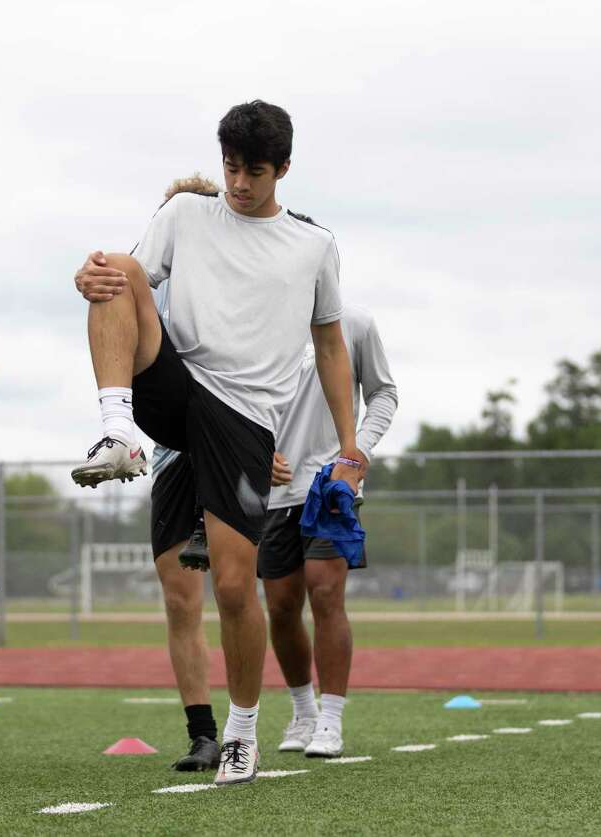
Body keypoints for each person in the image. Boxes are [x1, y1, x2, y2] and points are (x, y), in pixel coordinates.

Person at [71, 100, 365, 785]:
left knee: (235, 586)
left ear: (283, 169)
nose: (237, 183)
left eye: (253, 172)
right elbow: (128, 283)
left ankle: (241, 732)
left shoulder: (314, 244)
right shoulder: (184, 215)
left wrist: (349, 444)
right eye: (230, 166)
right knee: (116, 262)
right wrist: (90, 280)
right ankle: (116, 427)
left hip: (244, 417)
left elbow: (329, 344)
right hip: (178, 389)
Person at [262, 304, 397, 759]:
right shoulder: (254, 321)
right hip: (270, 492)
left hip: (329, 485)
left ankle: (331, 720)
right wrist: (254, 452)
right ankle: (303, 710)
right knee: (281, 607)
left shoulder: (355, 323)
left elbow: (384, 393)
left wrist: (357, 451)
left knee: (325, 593)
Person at [144, 173, 223, 773]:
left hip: (235, 445)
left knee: (254, 592)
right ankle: (203, 732)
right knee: (180, 602)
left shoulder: (236, 283)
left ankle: (292, 711)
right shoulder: (144, 293)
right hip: (173, 456)